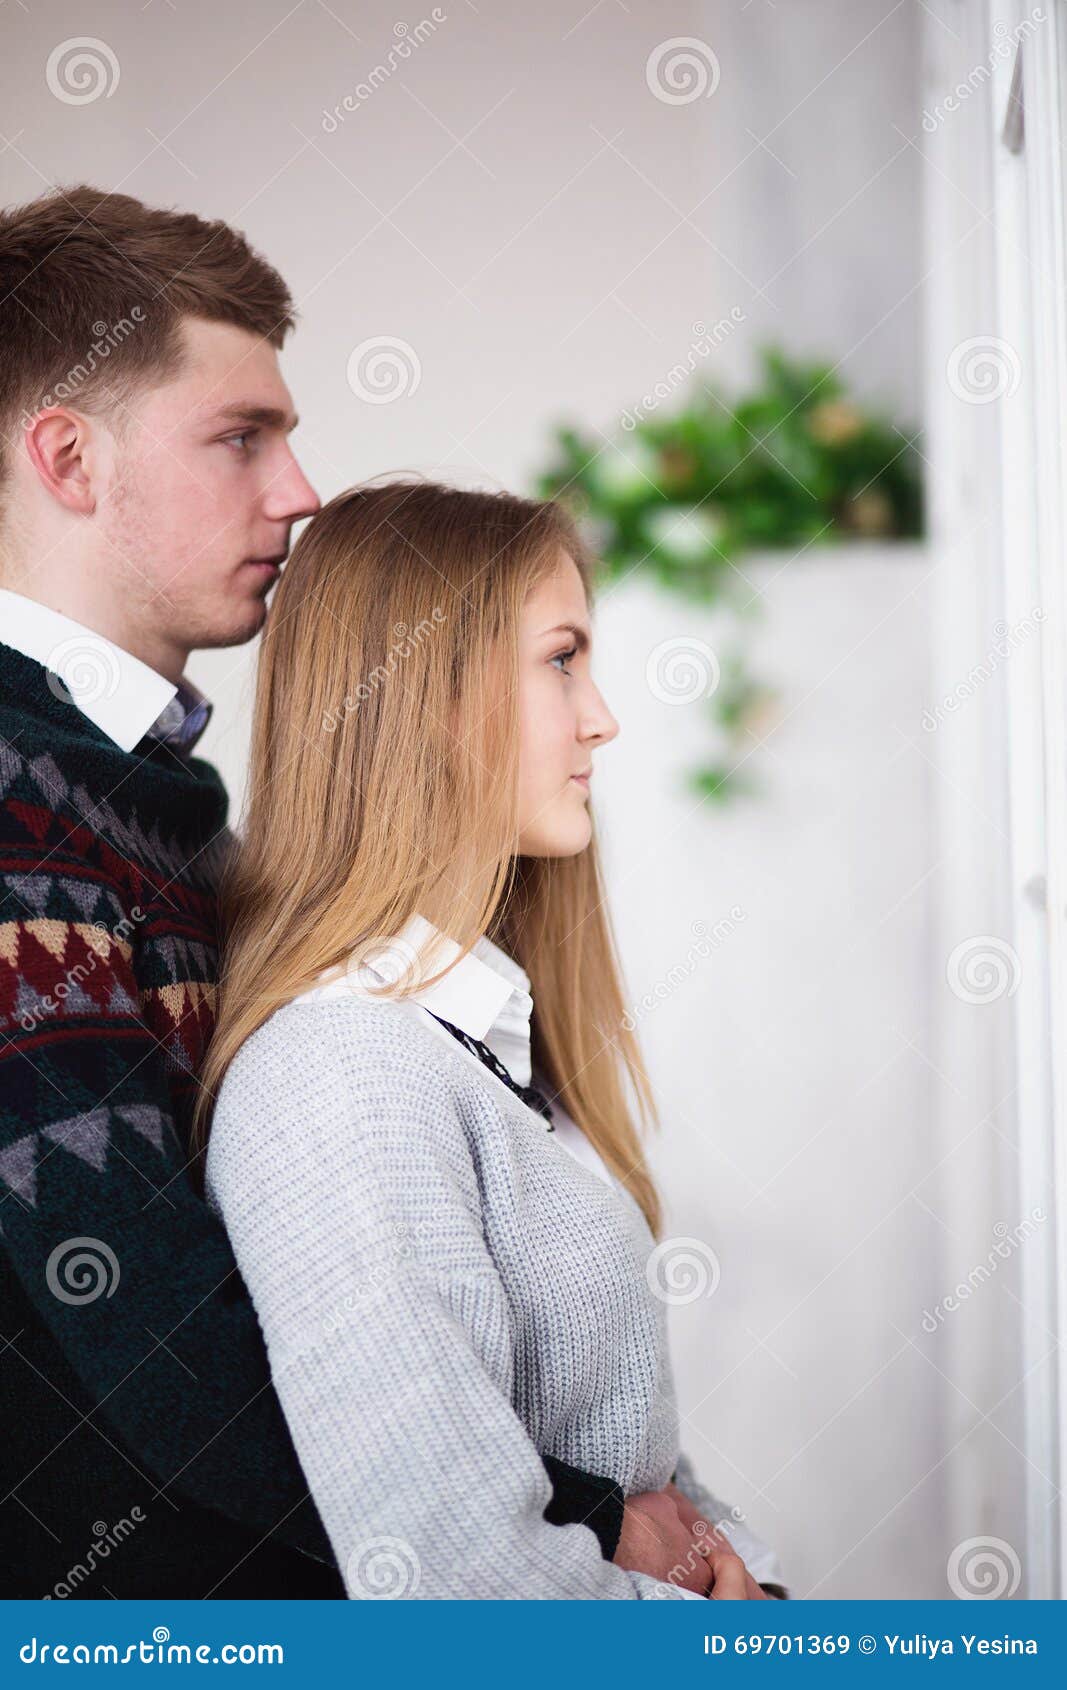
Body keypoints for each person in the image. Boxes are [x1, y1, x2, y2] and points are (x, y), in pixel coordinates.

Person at [0, 183, 709, 1598]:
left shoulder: (155, 801)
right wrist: (585, 1521)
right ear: (69, 460)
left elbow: (306, 1296)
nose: (299, 491)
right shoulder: (15, 807)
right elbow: (160, 1344)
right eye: (240, 436)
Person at [195, 478, 790, 1600]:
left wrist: (747, 1588)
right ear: (432, 697)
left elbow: (640, 1460)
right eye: (560, 658)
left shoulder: (475, 1039)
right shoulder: (344, 1076)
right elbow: (460, 1588)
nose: (600, 715)